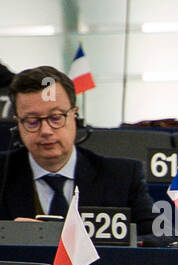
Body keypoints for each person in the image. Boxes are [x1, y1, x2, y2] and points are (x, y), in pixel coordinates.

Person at [1, 66, 152, 228]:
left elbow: (162, 239)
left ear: (74, 115)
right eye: (32, 121)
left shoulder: (123, 177)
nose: (46, 131)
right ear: (18, 123)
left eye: (56, 118)